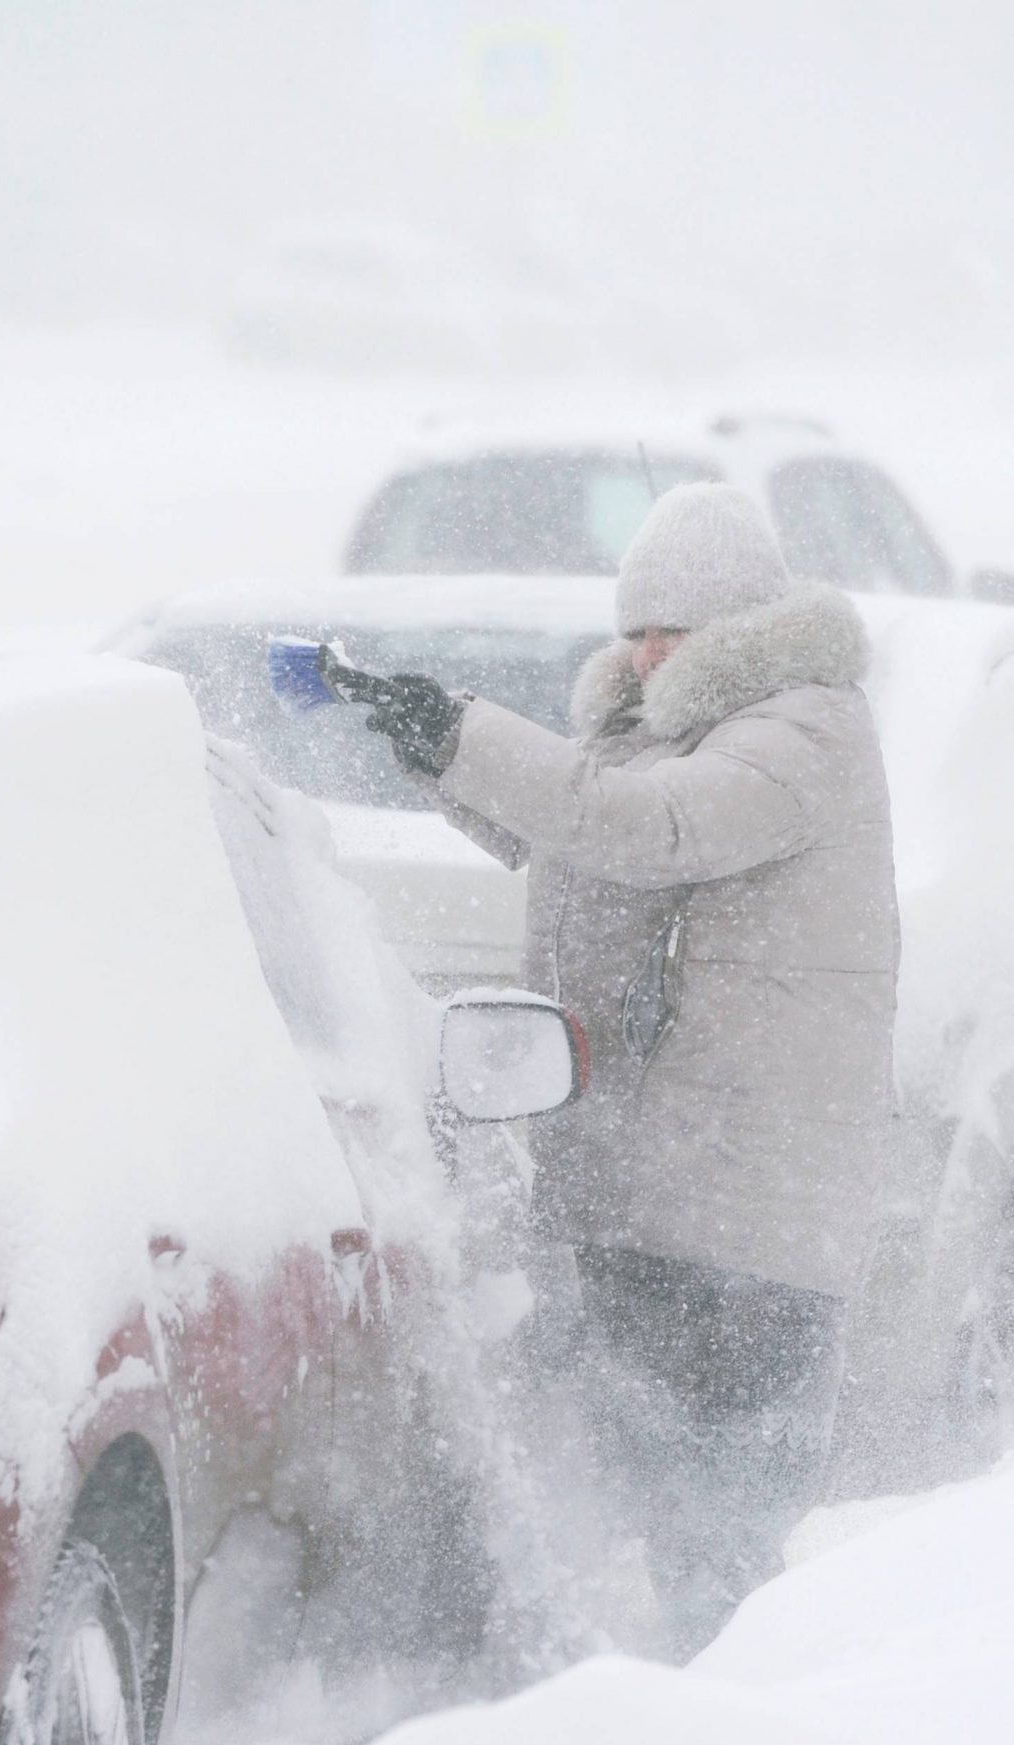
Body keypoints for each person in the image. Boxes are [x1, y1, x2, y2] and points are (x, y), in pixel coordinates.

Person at [361, 481, 899, 1647]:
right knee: (637, 1512)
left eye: (676, 631)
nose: (648, 653)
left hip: (748, 1218)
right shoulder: (676, 732)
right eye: (637, 629)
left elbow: (646, 829)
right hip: (648, 1198)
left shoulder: (803, 730)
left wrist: (465, 732)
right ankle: (650, 1729)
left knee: (715, 1537)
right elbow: (571, 823)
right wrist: (427, 745)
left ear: (742, 630)